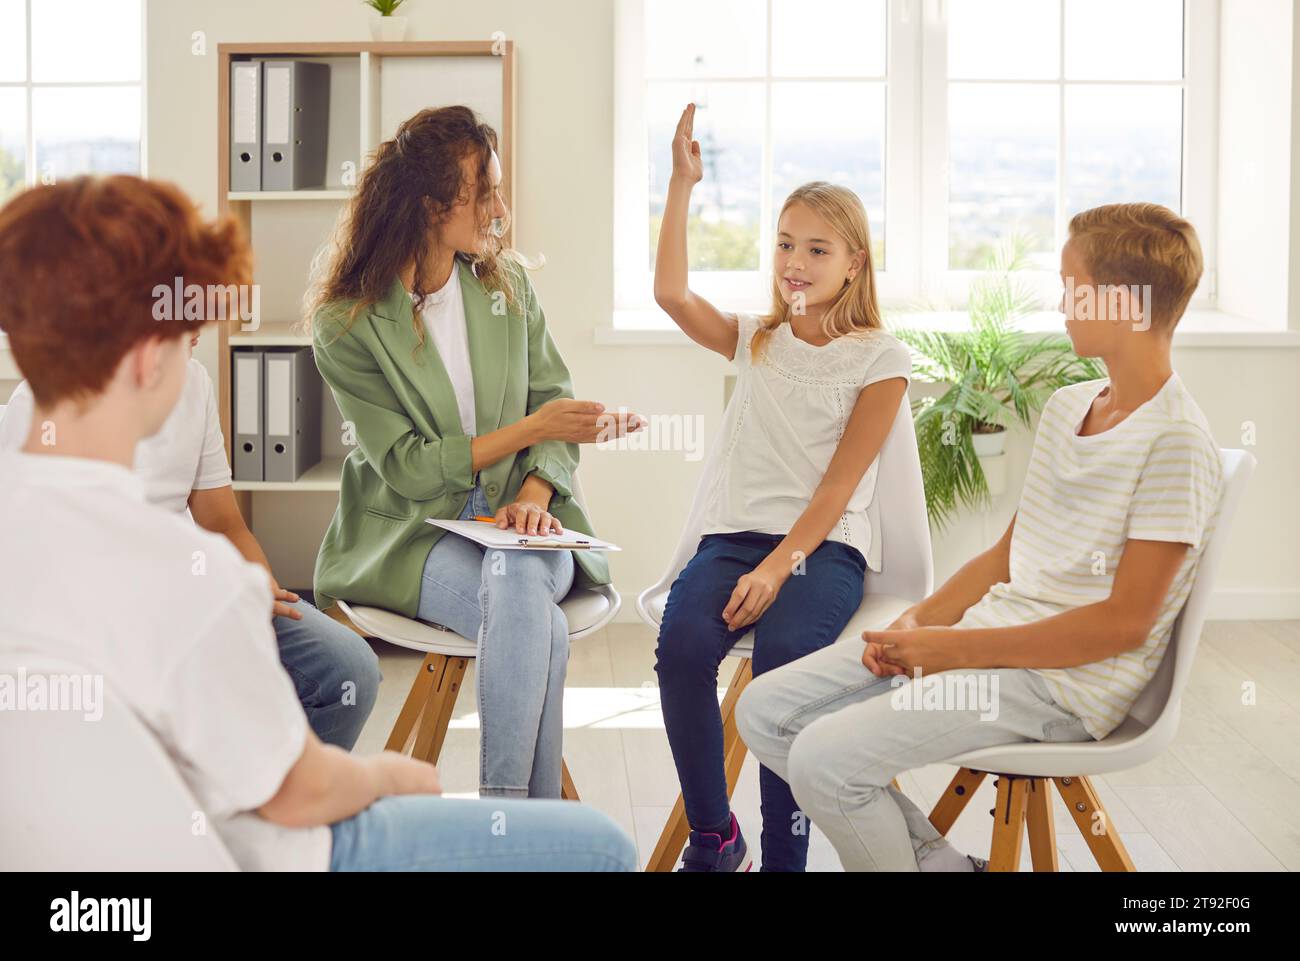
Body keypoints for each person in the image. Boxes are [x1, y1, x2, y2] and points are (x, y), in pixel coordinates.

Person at [0, 174, 637, 872]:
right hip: (282, 848)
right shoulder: (194, 584)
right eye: (188, 338)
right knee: (603, 848)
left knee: (511, 602)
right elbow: (302, 796)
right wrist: (398, 777)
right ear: (152, 358)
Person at [736, 202, 1223, 872]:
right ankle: (939, 864)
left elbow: (1125, 624)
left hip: (1064, 687)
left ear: (1123, 304)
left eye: (1073, 287)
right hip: (993, 643)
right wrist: (918, 622)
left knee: (825, 760)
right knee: (764, 708)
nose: (1062, 303)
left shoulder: (1177, 442)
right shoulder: (1068, 407)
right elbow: (1006, 557)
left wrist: (952, 650)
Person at [305, 105, 641, 799]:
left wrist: (532, 495)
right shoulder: (347, 326)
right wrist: (529, 429)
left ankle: (503, 823)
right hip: (414, 530)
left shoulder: (506, 286)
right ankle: (524, 828)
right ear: (430, 206)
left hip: (523, 516)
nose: (501, 208)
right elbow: (407, 465)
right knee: (533, 619)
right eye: (483, 190)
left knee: (517, 583)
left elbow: (552, 403)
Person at [650, 104, 911, 871]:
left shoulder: (881, 359)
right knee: (683, 646)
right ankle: (713, 833)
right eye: (786, 244)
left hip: (822, 550)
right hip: (736, 539)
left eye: (817, 249)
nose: (794, 262)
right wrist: (680, 184)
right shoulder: (756, 339)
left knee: (784, 667)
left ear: (855, 263)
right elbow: (671, 294)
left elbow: (836, 490)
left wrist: (778, 568)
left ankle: (784, 856)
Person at [0, 333, 381, 750]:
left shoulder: (194, 382)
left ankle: (285, 808)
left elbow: (222, 522)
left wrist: (258, 586)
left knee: (349, 671)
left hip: (200, 593)